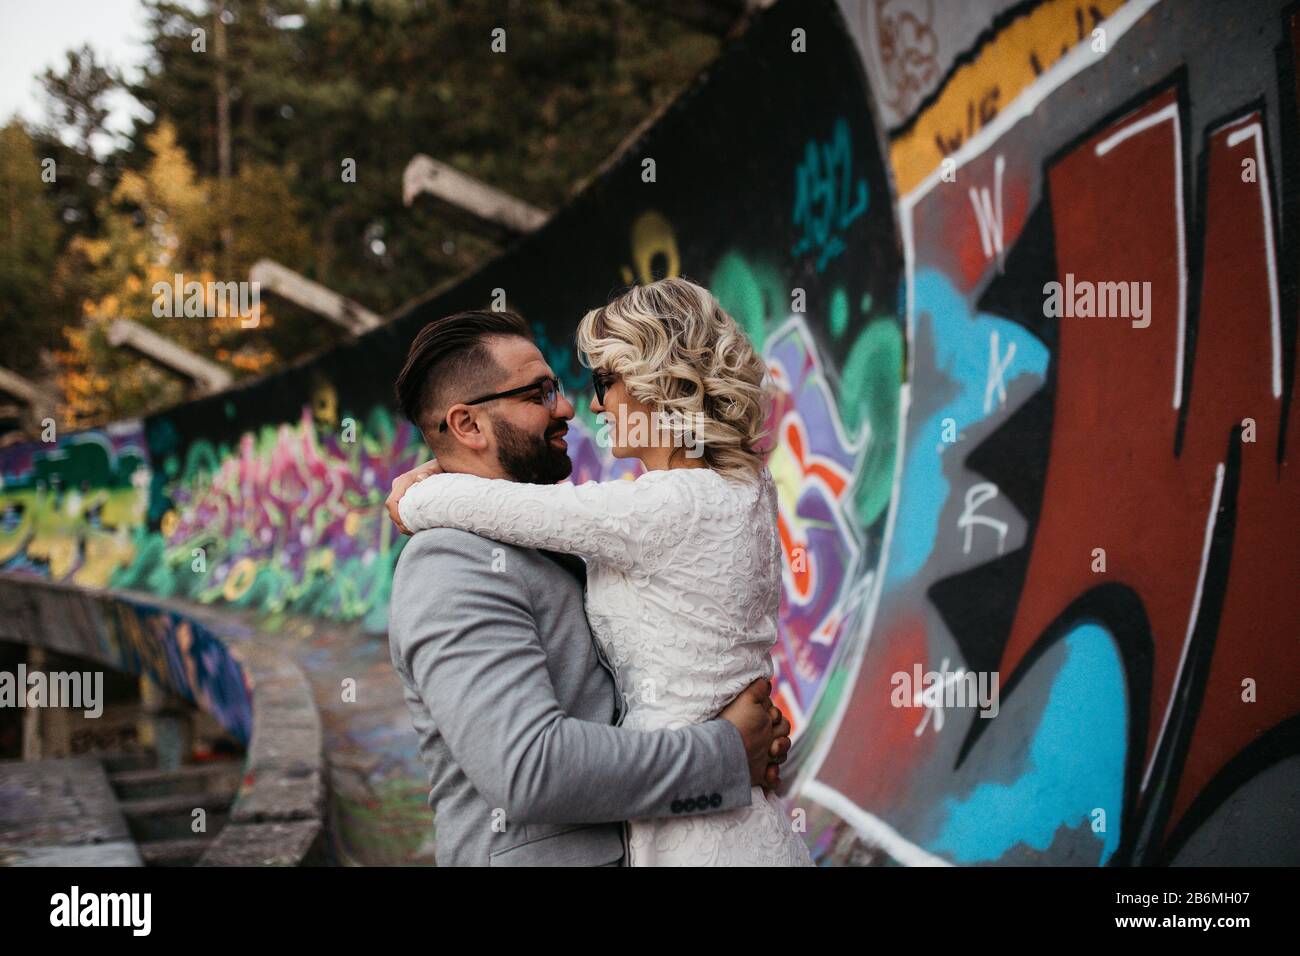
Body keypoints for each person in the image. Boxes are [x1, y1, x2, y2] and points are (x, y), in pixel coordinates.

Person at [389, 277, 814, 866]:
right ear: (467, 425)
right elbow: (530, 769)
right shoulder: (450, 564)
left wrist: (422, 485)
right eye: (539, 393)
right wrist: (727, 752)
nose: (571, 406)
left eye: (583, 384)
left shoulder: (628, 516)